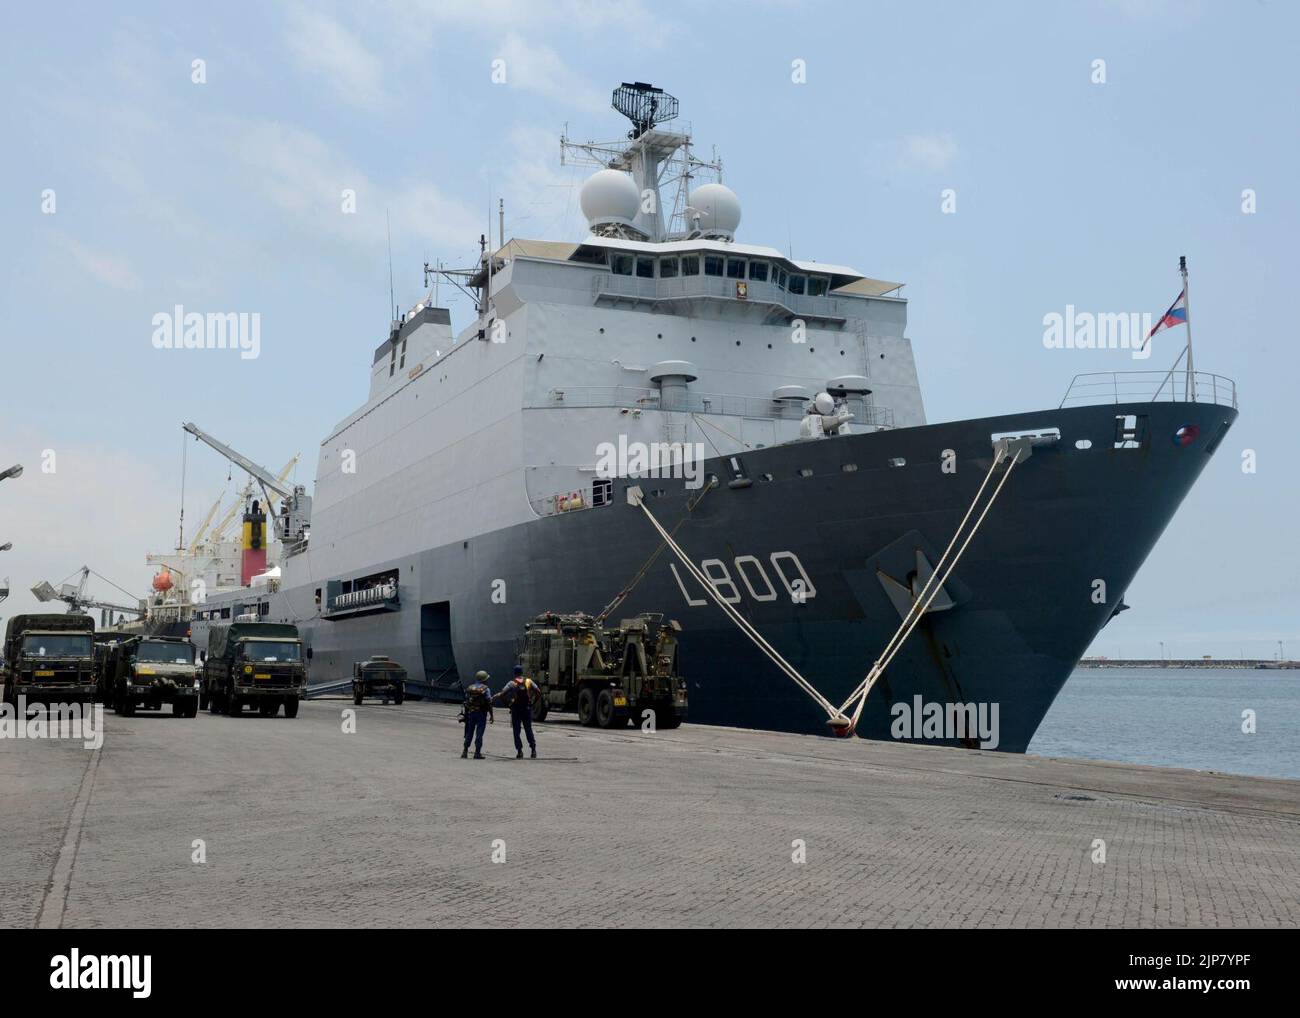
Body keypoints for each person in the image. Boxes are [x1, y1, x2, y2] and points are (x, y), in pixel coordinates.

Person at [497, 664, 538, 759]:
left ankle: (519, 751)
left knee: (516, 731)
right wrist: (533, 703)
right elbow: (538, 692)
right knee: (528, 729)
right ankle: (533, 750)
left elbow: (502, 694)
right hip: (527, 709)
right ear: (522, 672)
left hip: (516, 710)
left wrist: (508, 705)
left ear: (514, 673)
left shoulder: (512, 683)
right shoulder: (529, 681)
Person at [461, 670, 494, 759]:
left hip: (471, 713)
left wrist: (466, 714)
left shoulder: (470, 688)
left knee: (469, 732)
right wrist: (491, 715)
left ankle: (465, 751)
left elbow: (467, 701)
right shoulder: (486, 689)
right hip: (481, 714)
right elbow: (489, 703)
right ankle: (477, 753)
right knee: (479, 733)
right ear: (484, 680)